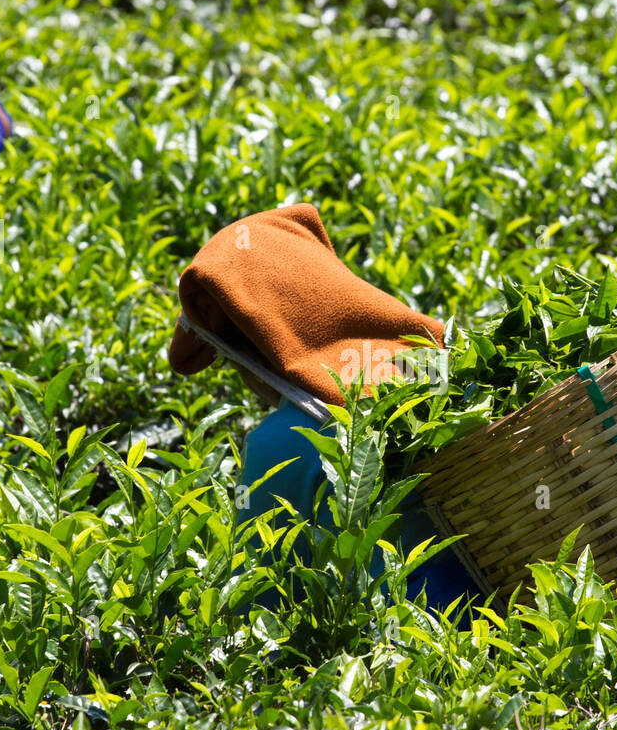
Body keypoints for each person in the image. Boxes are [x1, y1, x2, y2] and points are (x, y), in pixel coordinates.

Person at [167, 203, 484, 616]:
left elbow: (264, 602)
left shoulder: (281, 441)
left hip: (406, 651)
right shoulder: (450, 372)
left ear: (256, 347)